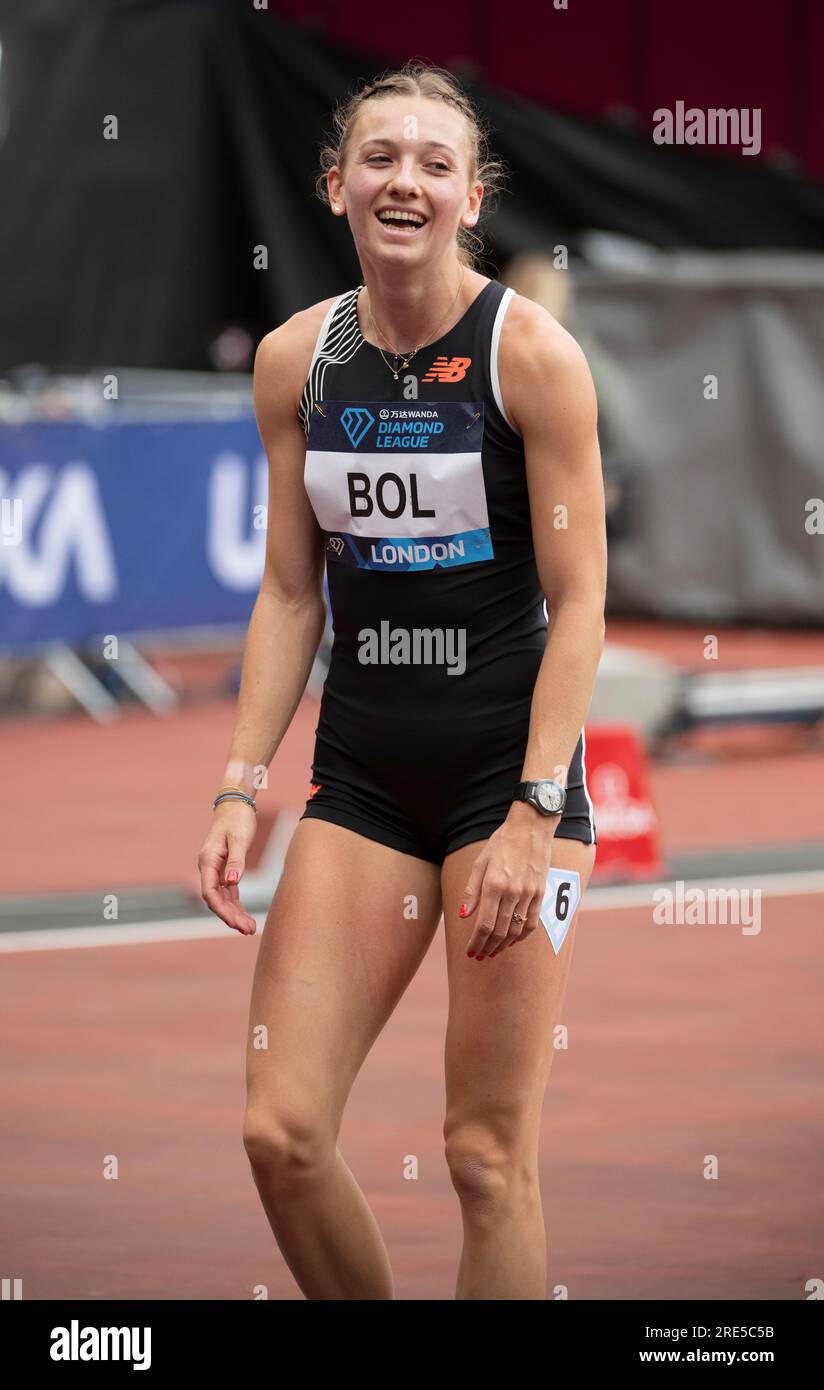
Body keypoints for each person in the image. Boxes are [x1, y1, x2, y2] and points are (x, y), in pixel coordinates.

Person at [197, 60, 607, 1301]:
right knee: (280, 1131)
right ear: (335, 185)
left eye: (435, 164)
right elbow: (289, 594)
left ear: (470, 197)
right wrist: (238, 783)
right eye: (379, 158)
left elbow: (581, 604)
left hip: (507, 780)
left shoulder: (529, 357)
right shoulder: (296, 361)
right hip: (367, 777)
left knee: (484, 1157)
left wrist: (532, 813)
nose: (404, 181)